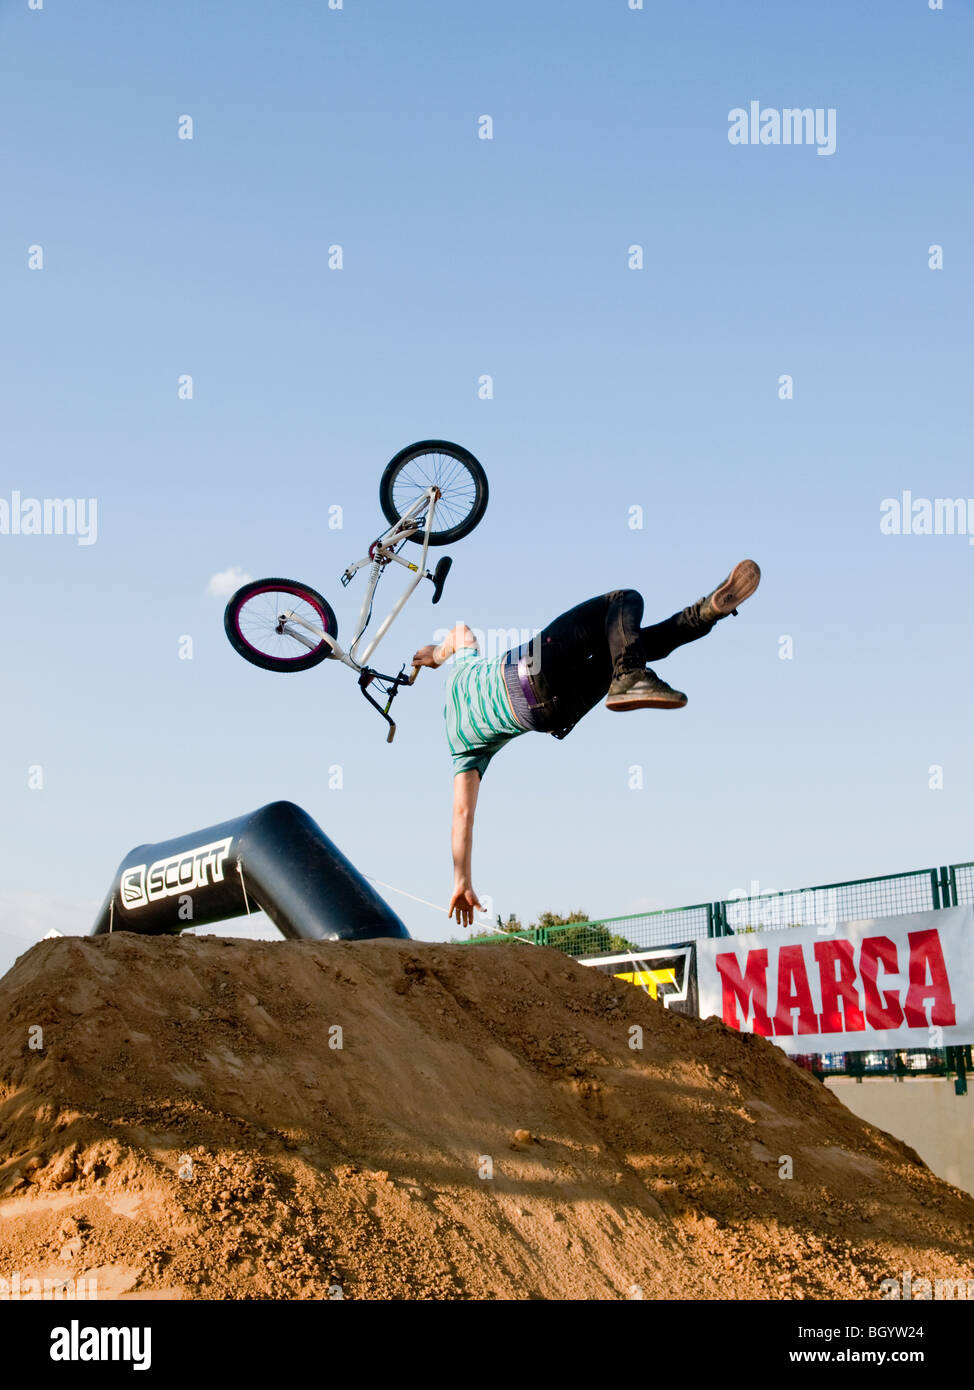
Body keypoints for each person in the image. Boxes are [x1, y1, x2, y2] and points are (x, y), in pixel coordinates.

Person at [411, 560, 760, 928]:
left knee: (626, 642)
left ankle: (702, 615)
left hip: (554, 714)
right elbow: (461, 631)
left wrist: (461, 881)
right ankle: (635, 671)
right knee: (623, 600)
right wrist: (435, 655)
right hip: (532, 666)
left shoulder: (462, 749)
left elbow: (462, 819)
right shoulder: (460, 673)